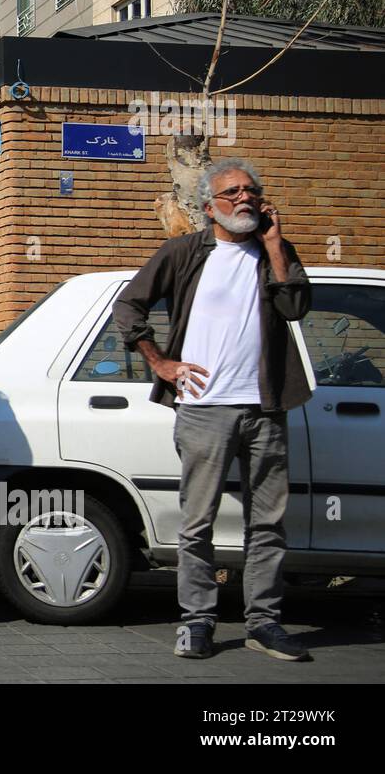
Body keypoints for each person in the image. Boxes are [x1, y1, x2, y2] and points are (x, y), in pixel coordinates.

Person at [114, 158, 313, 662]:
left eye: (252, 190)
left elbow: (295, 309)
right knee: (197, 522)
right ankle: (197, 621)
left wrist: (272, 245)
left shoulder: (276, 252)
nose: (245, 198)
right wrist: (158, 361)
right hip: (203, 408)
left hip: (266, 407)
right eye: (233, 193)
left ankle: (264, 623)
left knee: (268, 523)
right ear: (209, 207)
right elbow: (129, 305)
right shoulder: (183, 251)